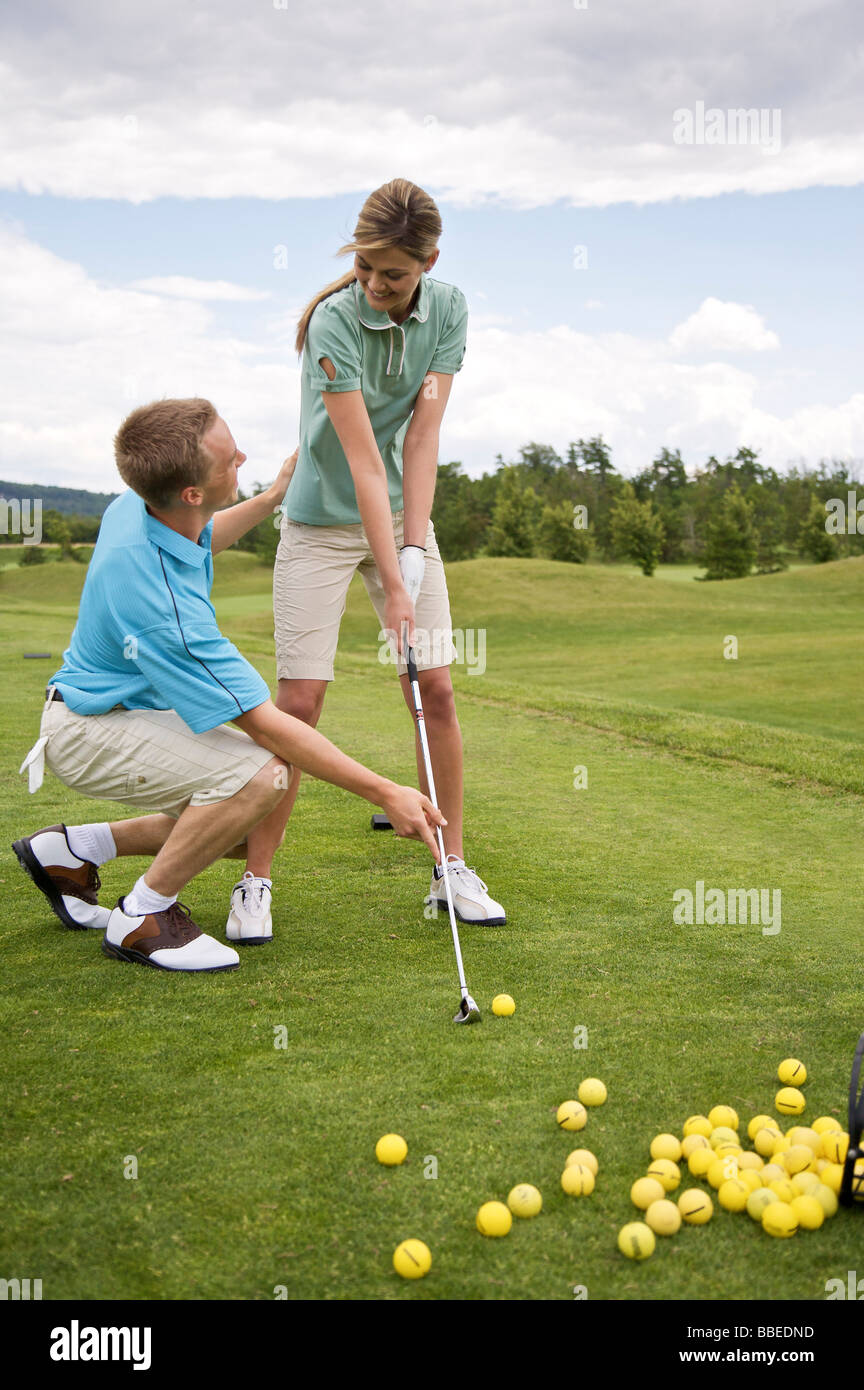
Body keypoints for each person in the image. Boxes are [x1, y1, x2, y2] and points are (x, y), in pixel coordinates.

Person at [13, 398, 444, 972]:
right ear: (192, 492)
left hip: (112, 710)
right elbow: (268, 725)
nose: (242, 457)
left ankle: (71, 851)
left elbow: (201, 537)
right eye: (229, 458)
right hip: (87, 728)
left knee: (249, 827)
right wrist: (386, 792)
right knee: (263, 777)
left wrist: (269, 499)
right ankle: (143, 914)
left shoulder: (136, 505)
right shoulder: (170, 615)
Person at [247, 177, 505, 930]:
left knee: (435, 690)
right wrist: (395, 585)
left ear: (429, 262)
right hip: (319, 525)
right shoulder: (333, 322)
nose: (375, 284)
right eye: (364, 266)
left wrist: (413, 545)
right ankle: (255, 881)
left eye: (392, 273)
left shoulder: (448, 310)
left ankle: (450, 867)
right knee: (299, 704)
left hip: (399, 516)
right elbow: (362, 462)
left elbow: (423, 436)